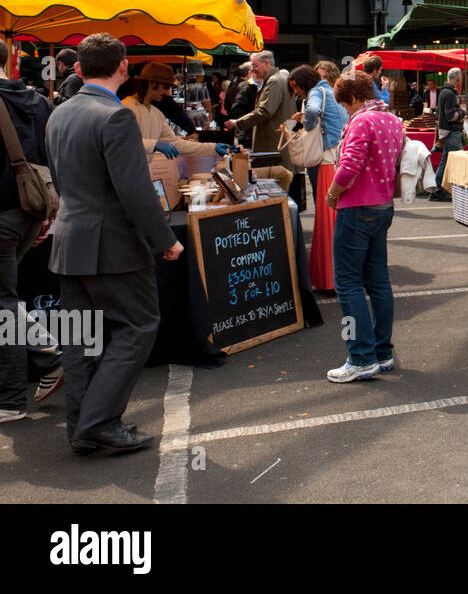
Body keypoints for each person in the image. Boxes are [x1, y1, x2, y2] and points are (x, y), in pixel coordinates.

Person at [45, 33, 183, 454]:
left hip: (70, 241)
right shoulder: (115, 116)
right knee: (138, 326)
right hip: (114, 246)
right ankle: (98, 423)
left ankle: (85, 426)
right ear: (124, 68)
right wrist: (165, 240)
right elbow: (134, 190)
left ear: (80, 69)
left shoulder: (58, 115)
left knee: (81, 338)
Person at [323, 72, 405, 381]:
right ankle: (382, 352)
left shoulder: (361, 121)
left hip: (356, 208)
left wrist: (332, 193)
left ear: (355, 99)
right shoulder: (391, 119)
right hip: (382, 206)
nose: (345, 109)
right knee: (379, 282)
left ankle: (360, 357)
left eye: (344, 104)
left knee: (347, 284)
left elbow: (350, 165)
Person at [0, 42, 59, 424]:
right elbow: (50, 159)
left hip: (4, 217)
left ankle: (9, 400)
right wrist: (45, 218)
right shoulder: (36, 101)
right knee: (5, 298)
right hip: (30, 212)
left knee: (2, 303)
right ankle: (48, 355)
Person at [123, 63, 232, 209]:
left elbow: (176, 144)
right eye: (166, 87)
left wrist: (213, 148)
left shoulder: (155, 113)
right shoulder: (127, 108)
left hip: (143, 180)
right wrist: (153, 145)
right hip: (126, 181)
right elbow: (123, 144)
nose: (168, 93)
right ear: (151, 84)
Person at [289, 65, 348, 291]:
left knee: (327, 223)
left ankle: (330, 279)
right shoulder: (330, 91)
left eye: (296, 87)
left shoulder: (316, 92)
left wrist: (307, 123)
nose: (297, 92)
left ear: (304, 82)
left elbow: (313, 113)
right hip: (335, 160)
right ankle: (334, 277)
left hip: (325, 162)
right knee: (332, 222)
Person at [225, 50, 296, 171]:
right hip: (280, 139)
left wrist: (238, 122)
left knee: (278, 178)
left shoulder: (274, 81)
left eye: (255, 65)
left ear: (267, 63)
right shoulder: (280, 78)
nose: (252, 70)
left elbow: (265, 111)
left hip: (273, 142)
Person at [431, 68, 466, 201]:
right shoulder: (449, 93)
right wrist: (462, 113)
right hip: (451, 132)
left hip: (446, 132)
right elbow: (451, 116)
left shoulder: (444, 92)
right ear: (457, 78)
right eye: (461, 78)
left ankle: (439, 188)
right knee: (460, 160)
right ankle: (450, 189)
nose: (461, 80)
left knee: (445, 161)